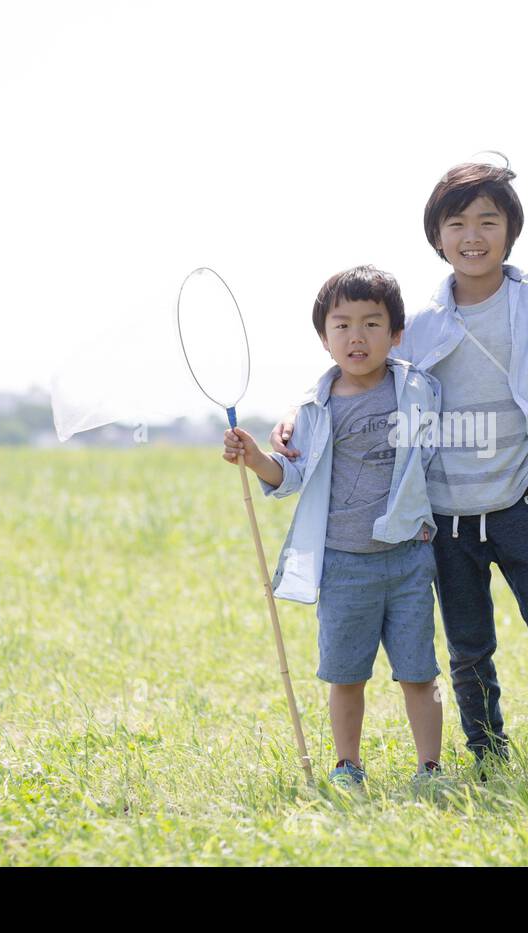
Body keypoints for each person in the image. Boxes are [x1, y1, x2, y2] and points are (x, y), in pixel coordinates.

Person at [270, 161, 528, 779]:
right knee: (467, 648)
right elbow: (359, 362)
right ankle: (487, 758)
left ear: (511, 231)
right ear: (437, 237)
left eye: (489, 220)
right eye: (456, 223)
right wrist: (297, 421)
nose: (473, 235)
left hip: (520, 498)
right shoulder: (420, 322)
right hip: (444, 516)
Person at [224, 265, 445, 788]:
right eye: (342, 325)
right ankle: (347, 764)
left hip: (409, 556)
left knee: (420, 671)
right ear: (324, 338)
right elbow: (291, 475)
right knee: (345, 674)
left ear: (396, 335)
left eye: (372, 324)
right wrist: (256, 457)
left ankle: (430, 767)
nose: (357, 336)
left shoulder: (419, 389)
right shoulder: (311, 410)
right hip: (343, 563)